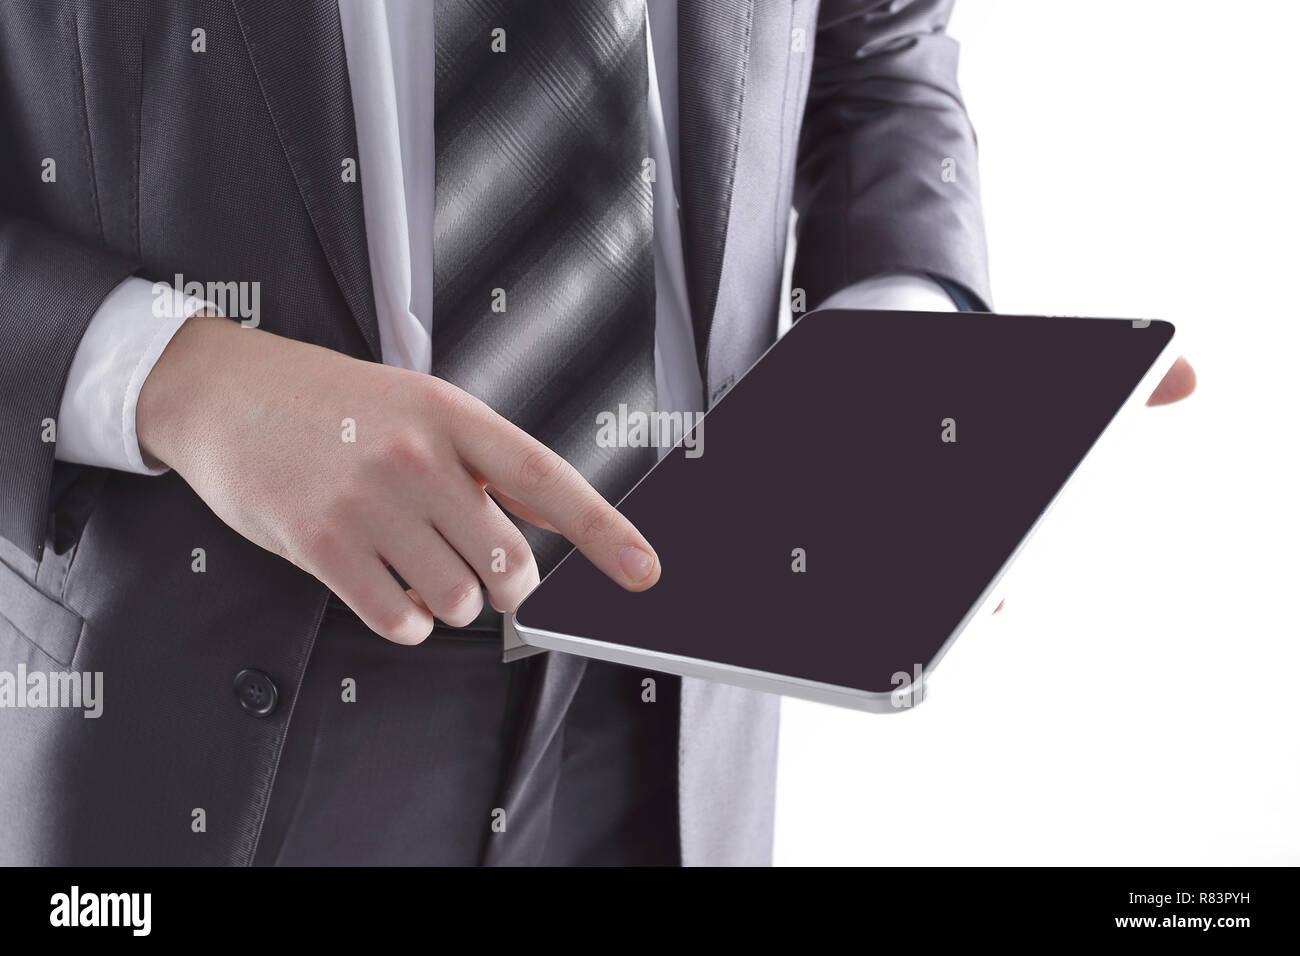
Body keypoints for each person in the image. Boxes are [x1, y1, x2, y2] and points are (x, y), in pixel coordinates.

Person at [0, 0, 1193, 866]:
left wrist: (897, 353)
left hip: (683, 715)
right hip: (190, 696)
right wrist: (176, 378)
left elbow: (873, 44)